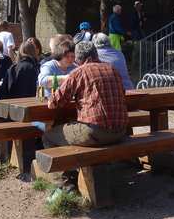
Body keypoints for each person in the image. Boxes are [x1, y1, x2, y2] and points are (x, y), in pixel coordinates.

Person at [44, 41, 128, 189]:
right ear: (96, 54)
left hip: (96, 132)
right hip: (121, 131)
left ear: (78, 58)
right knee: (75, 130)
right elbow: (122, 93)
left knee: (49, 135)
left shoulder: (79, 72)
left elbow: (54, 103)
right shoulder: (112, 69)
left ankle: (64, 185)